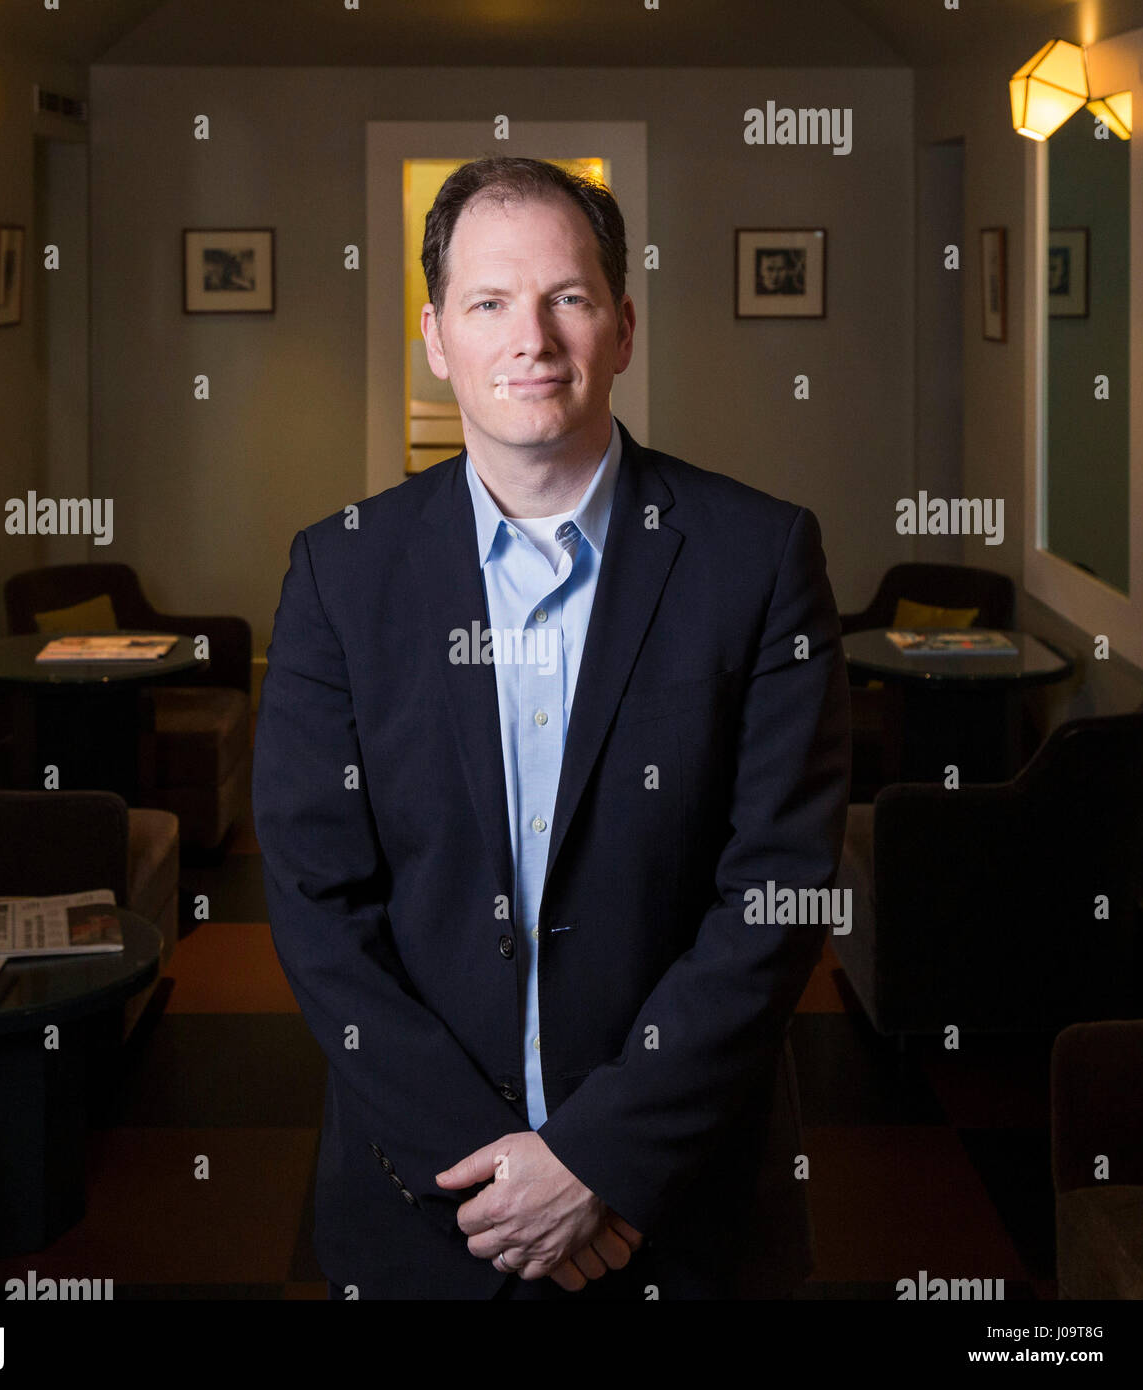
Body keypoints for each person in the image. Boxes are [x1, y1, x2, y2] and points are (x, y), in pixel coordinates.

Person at [252, 156, 851, 1300]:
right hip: (419, 1202)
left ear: (622, 326)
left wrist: (598, 1161)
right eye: (488, 303)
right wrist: (498, 1181)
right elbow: (318, 906)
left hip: (679, 1205)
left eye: (567, 298)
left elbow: (773, 892)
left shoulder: (759, 557)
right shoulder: (339, 570)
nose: (530, 337)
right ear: (435, 337)